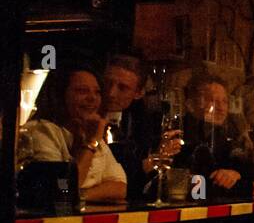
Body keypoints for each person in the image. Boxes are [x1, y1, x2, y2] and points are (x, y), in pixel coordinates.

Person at [20, 67, 127, 204]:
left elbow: (120, 187)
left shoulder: (91, 134)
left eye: (97, 92)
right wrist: (90, 144)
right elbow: (61, 187)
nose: (92, 98)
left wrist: (80, 195)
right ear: (60, 95)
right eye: (82, 91)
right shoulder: (42, 131)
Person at [176, 74, 254, 199]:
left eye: (225, 101)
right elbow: (197, 191)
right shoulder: (184, 137)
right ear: (190, 105)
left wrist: (236, 173)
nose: (221, 108)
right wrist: (250, 188)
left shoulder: (222, 136)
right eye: (212, 100)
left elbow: (251, 170)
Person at [101, 54, 181, 200]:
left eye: (122, 88)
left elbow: (137, 185)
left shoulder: (141, 123)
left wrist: (159, 154)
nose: (111, 93)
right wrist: (149, 162)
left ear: (139, 93)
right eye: (107, 83)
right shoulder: (81, 118)